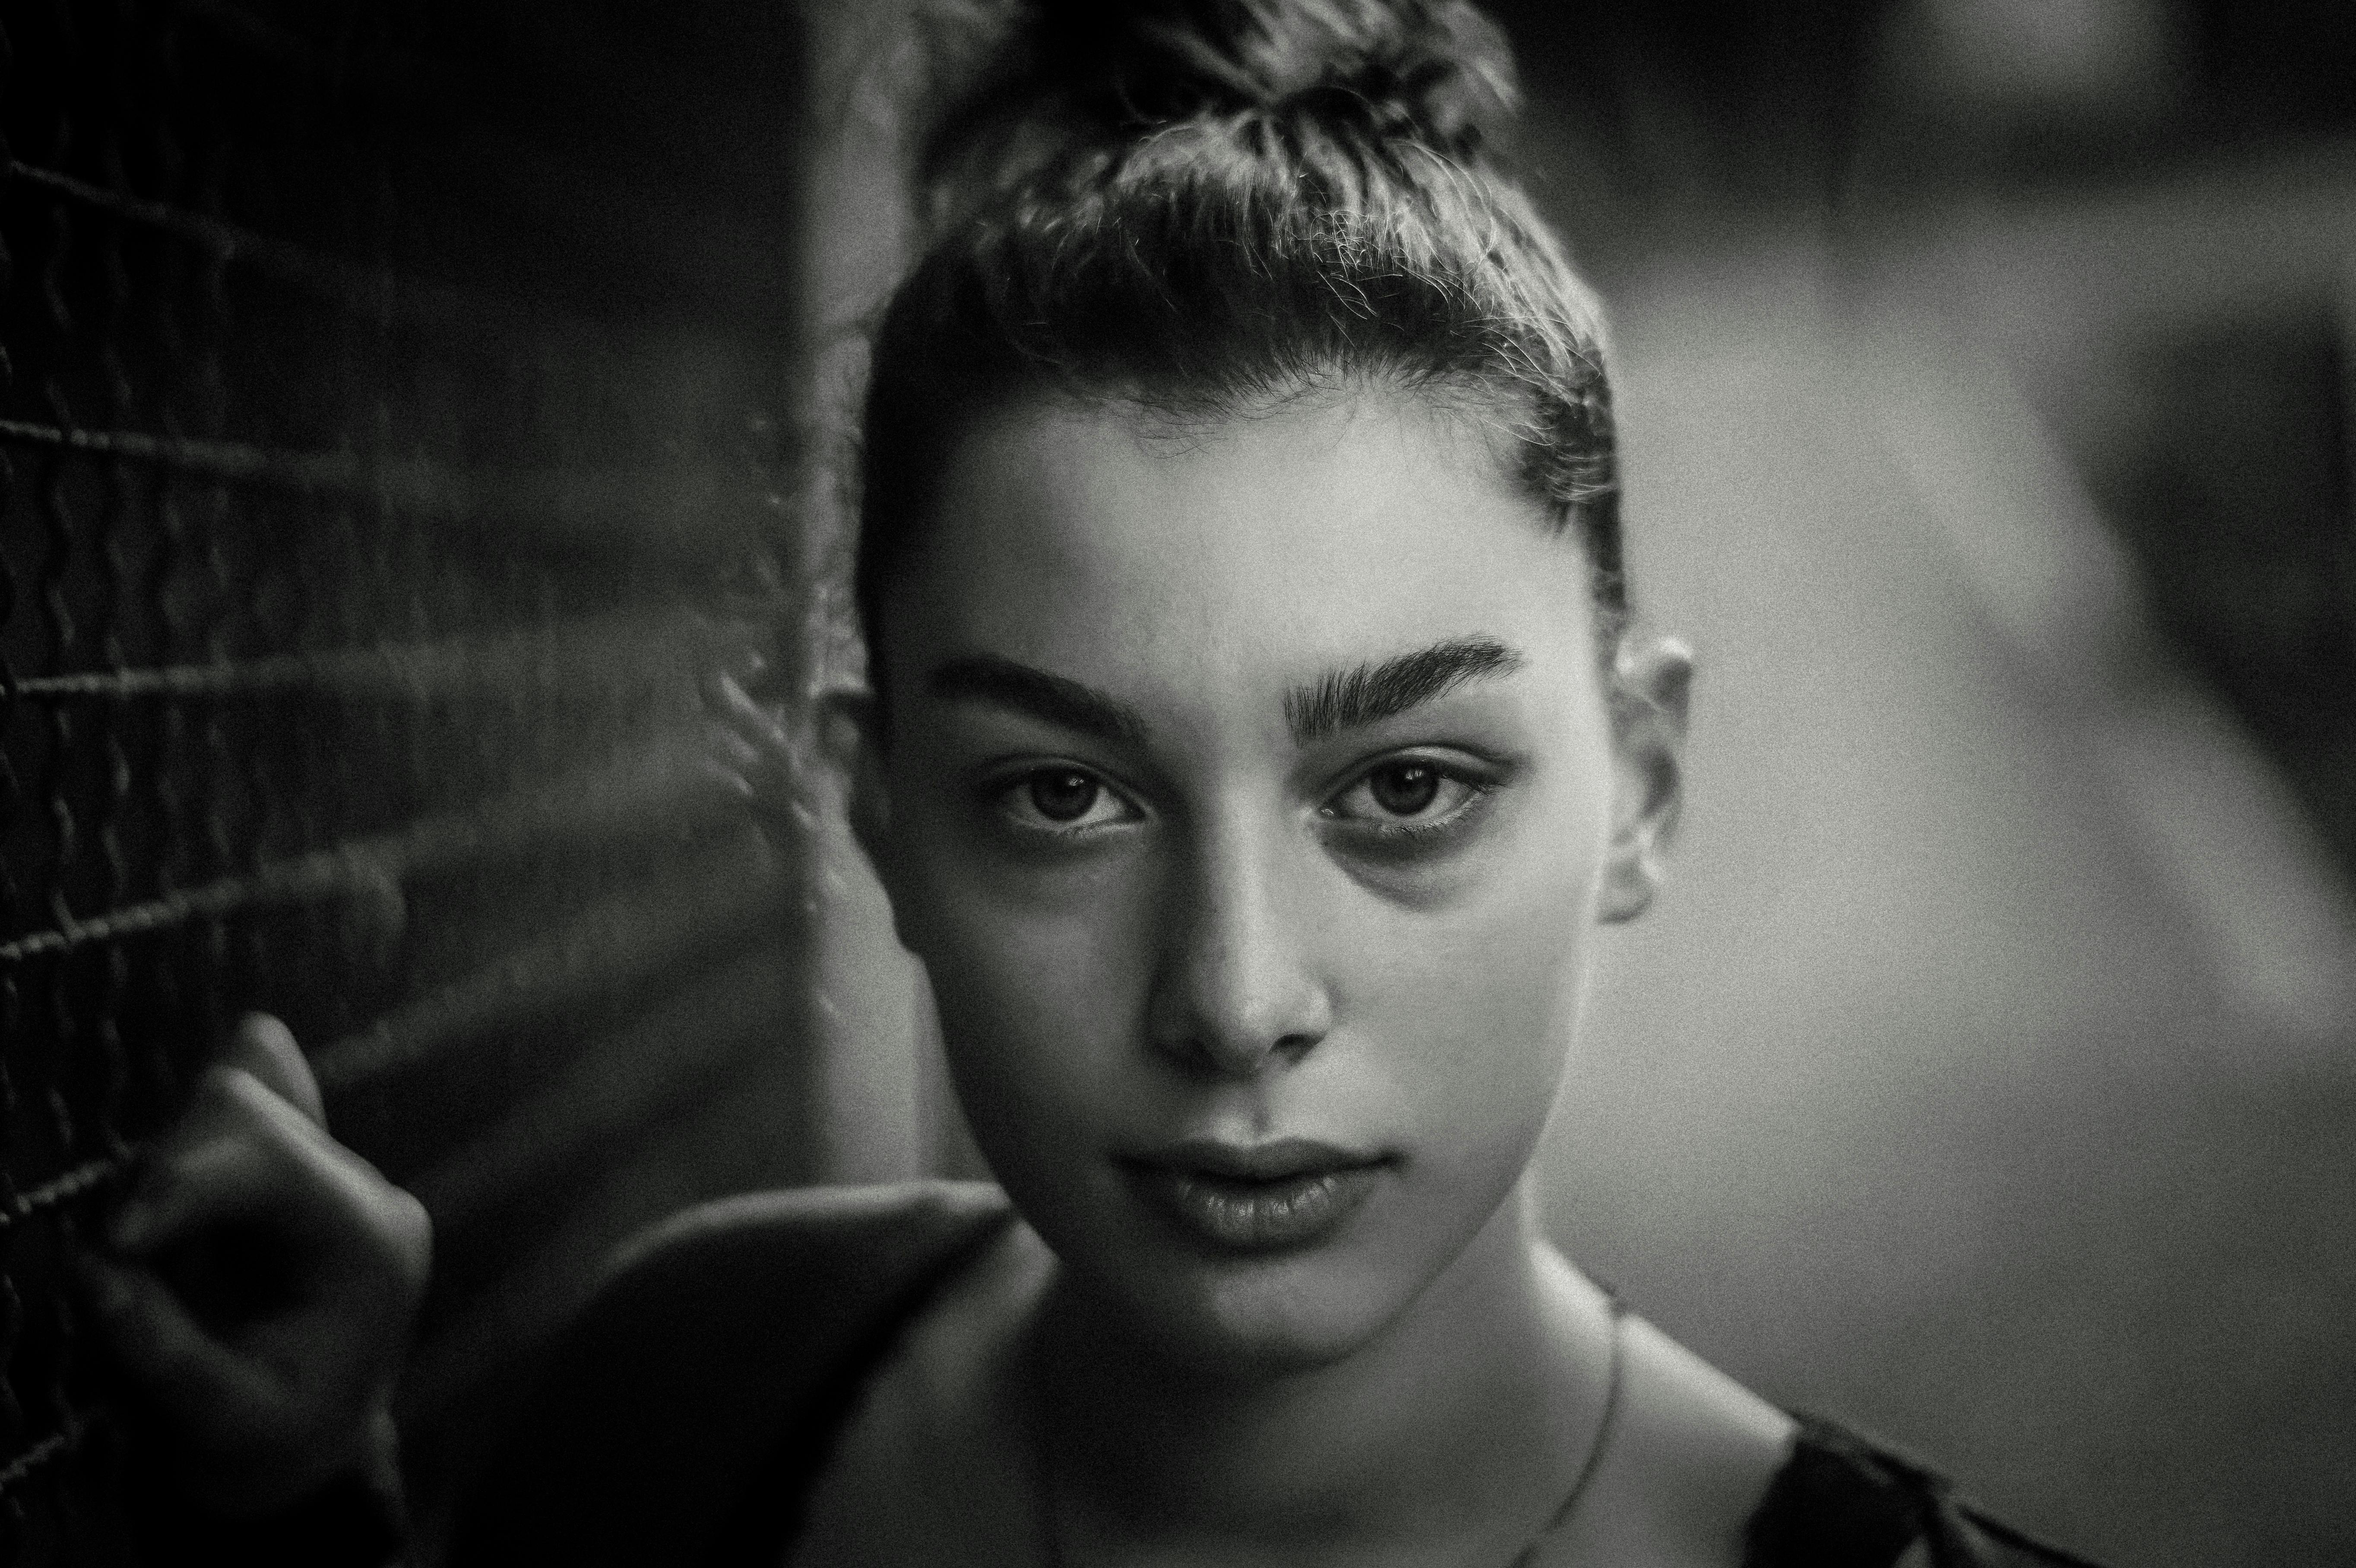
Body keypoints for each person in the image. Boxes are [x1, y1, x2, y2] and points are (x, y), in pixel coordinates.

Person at [82, 2, 2107, 1564]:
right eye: (1064, 795)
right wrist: (290, 1510)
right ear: (870, 809)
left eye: (1402, 785)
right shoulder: (686, 1400)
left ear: (1639, 786)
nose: (1230, 998)